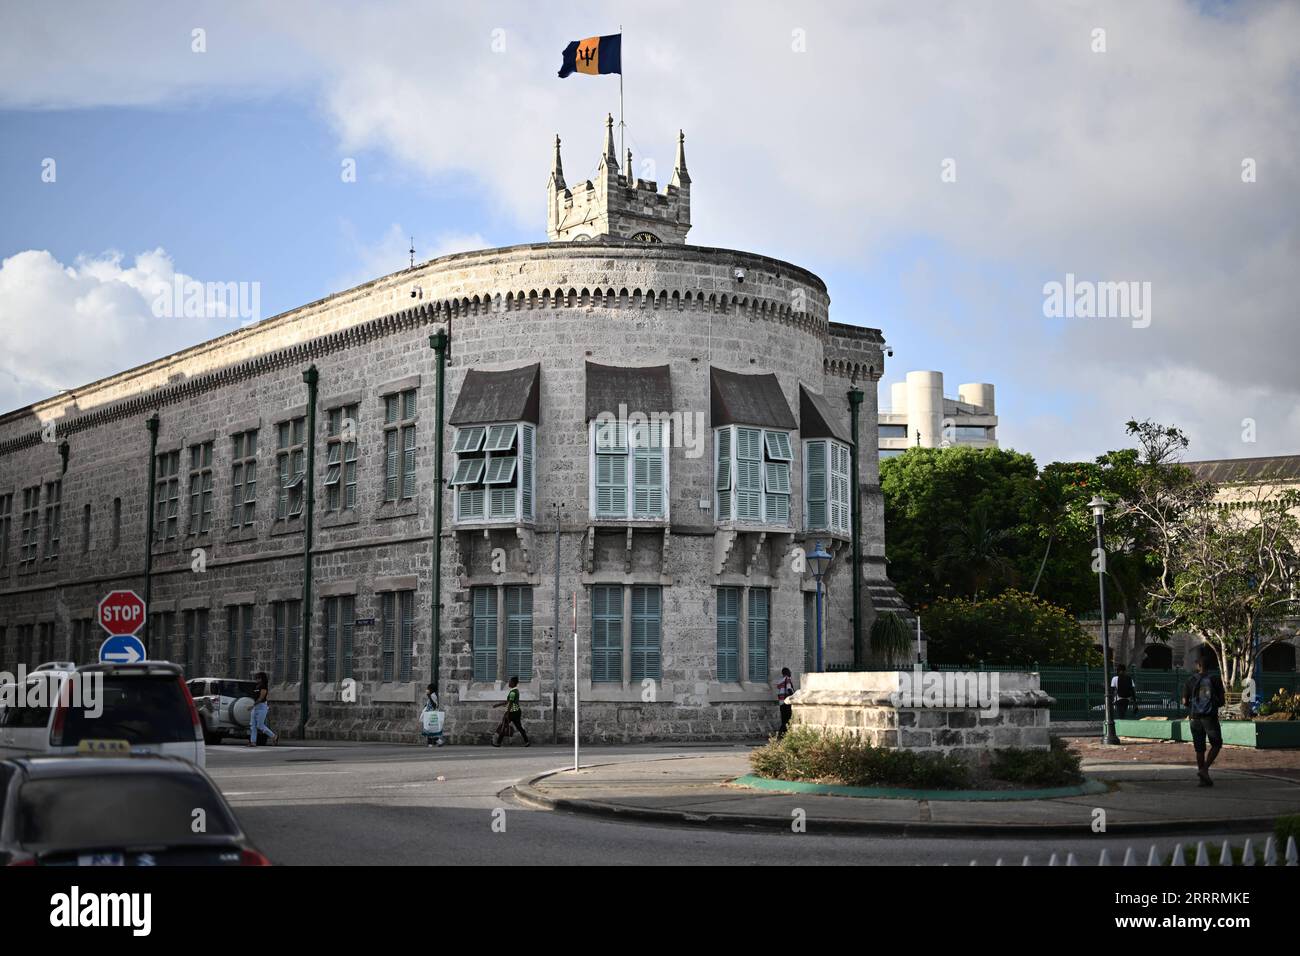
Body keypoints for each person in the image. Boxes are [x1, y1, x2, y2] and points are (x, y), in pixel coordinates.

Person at [1181, 654, 1225, 786]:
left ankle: (1202, 778)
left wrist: (1193, 706)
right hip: (1210, 717)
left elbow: (1184, 702)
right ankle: (1205, 769)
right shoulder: (1215, 679)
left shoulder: (1190, 680)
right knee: (1216, 744)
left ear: (1198, 666)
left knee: (1199, 749)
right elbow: (1222, 701)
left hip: (1194, 718)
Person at [492, 676, 529, 747]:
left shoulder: (513, 692)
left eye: (510, 682)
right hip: (517, 711)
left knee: (503, 726)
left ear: (513, 683)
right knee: (519, 727)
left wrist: (507, 714)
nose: (509, 683)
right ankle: (527, 741)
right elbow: (508, 702)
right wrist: (498, 704)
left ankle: (498, 743)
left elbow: (510, 703)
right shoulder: (515, 691)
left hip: (512, 712)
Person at [248, 671, 278, 747]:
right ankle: (253, 742)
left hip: (261, 707)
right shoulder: (256, 686)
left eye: (258, 678)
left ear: (262, 679)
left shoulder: (264, 687)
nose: (257, 679)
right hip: (255, 707)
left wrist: (252, 705)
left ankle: (274, 736)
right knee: (253, 725)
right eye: (256, 678)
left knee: (260, 725)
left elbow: (261, 698)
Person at [421, 683, 445, 748]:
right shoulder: (431, 695)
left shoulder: (433, 695)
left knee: (429, 728)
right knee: (429, 728)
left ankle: (434, 742)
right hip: (428, 713)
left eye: (428, 688)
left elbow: (434, 705)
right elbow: (428, 704)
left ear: (431, 690)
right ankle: (433, 742)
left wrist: (429, 696)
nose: (427, 689)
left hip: (431, 714)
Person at [775, 667, 795, 738]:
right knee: (788, 719)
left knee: (784, 720)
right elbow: (789, 688)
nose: (791, 674)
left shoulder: (780, 681)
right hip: (787, 703)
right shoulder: (787, 679)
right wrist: (794, 696)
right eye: (790, 672)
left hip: (781, 703)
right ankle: (781, 735)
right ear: (787, 673)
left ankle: (782, 735)